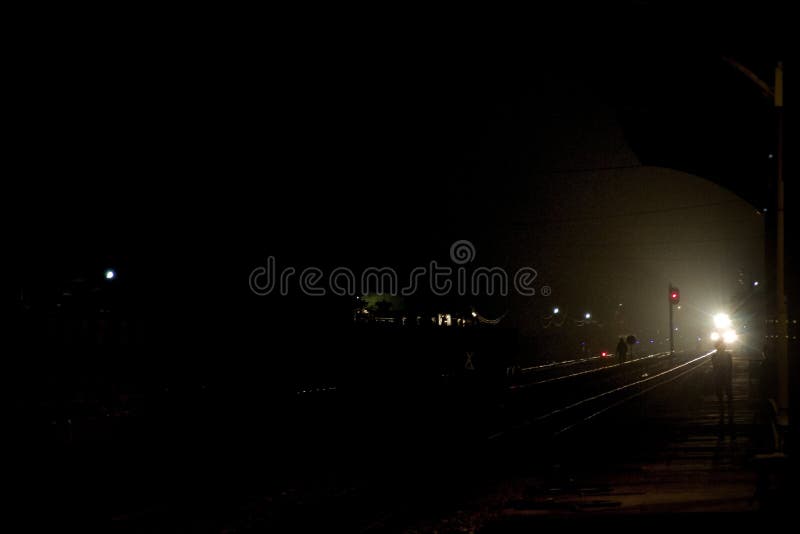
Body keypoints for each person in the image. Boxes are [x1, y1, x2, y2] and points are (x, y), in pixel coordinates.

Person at [712, 339, 734, 421]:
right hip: (724, 375)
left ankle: (723, 407)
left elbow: (714, 366)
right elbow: (730, 366)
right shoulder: (728, 355)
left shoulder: (714, 356)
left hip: (720, 376)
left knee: (722, 392)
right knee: (726, 392)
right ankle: (728, 407)